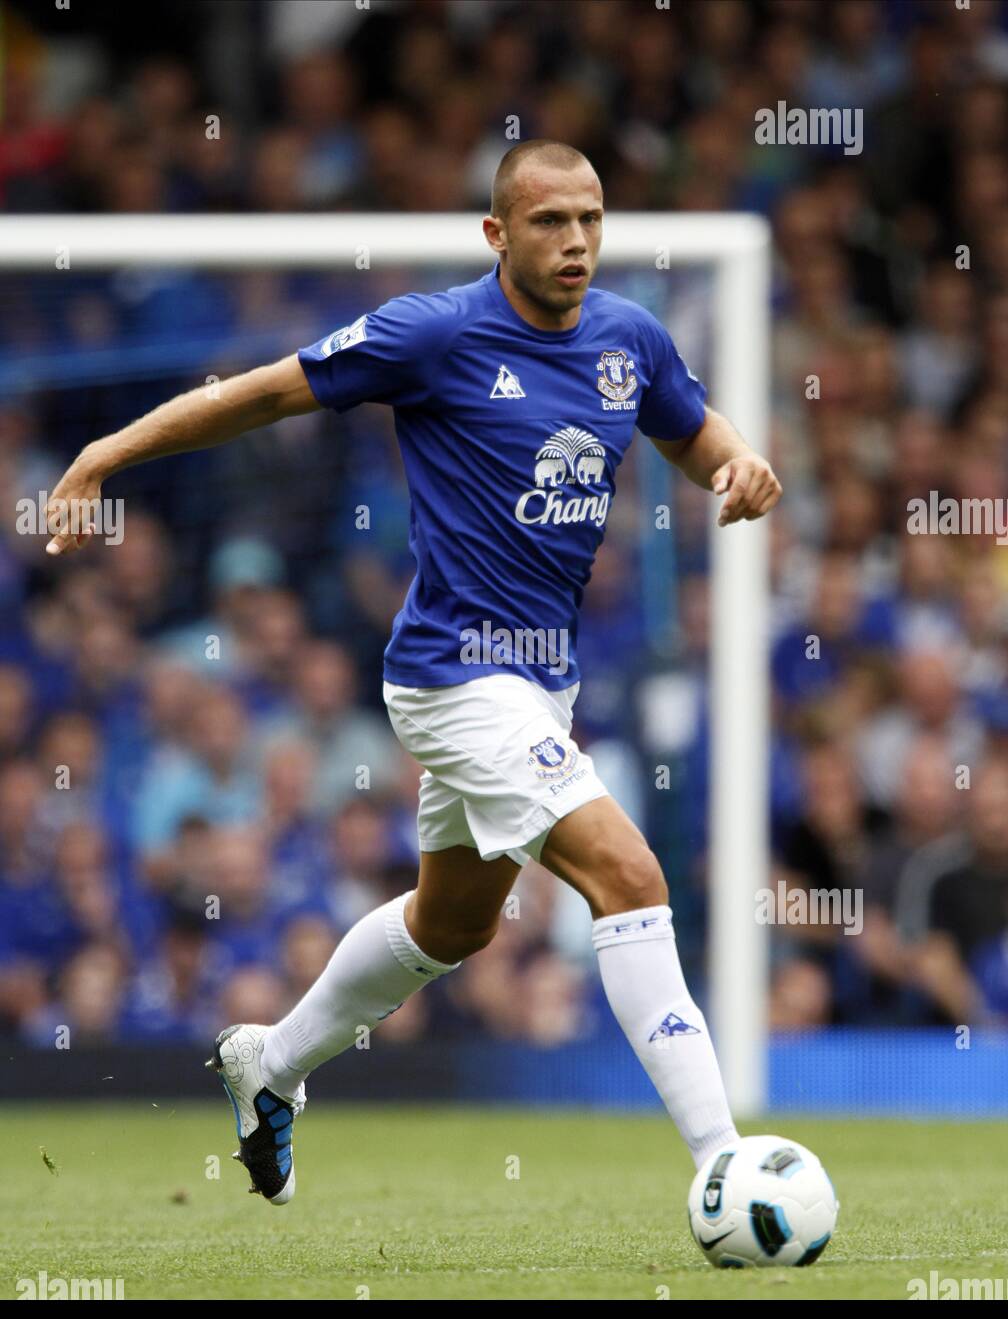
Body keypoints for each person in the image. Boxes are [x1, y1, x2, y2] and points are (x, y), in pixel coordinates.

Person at [45, 139, 781, 1205]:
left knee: (453, 924)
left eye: (588, 219)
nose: (574, 240)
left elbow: (690, 431)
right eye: (547, 222)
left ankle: (271, 1065)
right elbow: (259, 394)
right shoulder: (432, 334)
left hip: (542, 683)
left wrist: (734, 462)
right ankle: (724, 1161)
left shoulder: (630, 337)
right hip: (453, 675)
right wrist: (105, 454)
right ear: (496, 234)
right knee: (628, 877)